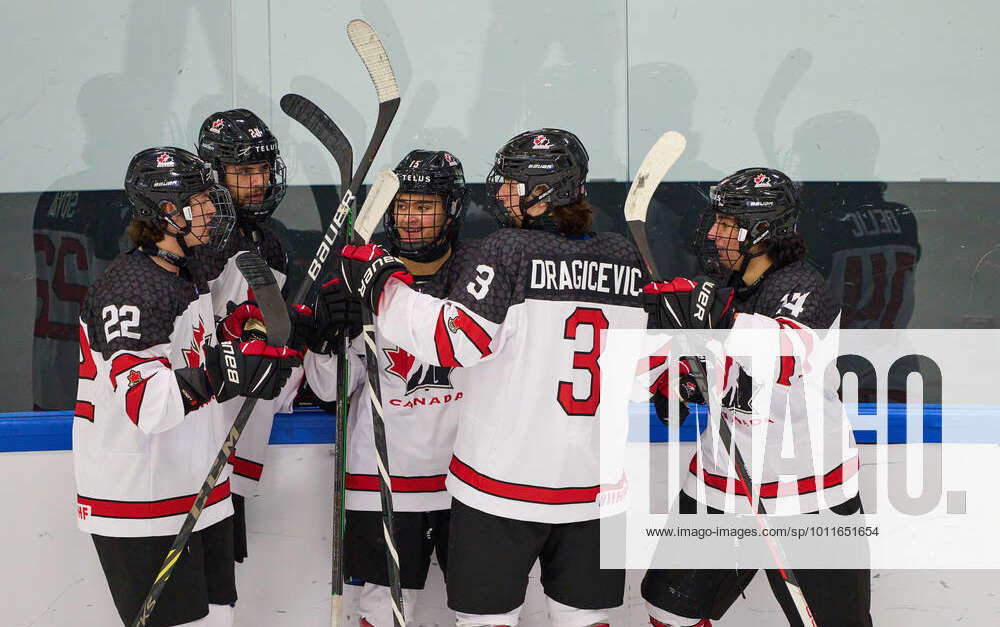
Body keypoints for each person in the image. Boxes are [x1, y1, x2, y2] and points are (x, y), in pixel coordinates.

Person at [338, 129, 648, 627]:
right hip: (594, 487)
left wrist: (384, 289)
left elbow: (451, 343)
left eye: (512, 184)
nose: (500, 194)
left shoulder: (503, 250)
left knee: (485, 621)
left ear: (543, 192)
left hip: (501, 489)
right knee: (587, 620)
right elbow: (639, 378)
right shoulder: (626, 258)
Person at [73, 147, 300, 626]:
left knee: (219, 617)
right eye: (202, 201)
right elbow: (147, 404)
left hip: (199, 483)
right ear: (166, 213)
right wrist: (227, 370)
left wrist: (249, 334)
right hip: (140, 499)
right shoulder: (131, 289)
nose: (214, 211)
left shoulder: (188, 274)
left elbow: (199, 352)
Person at [640, 167, 872, 627]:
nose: (711, 232)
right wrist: (674, 377)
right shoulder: (726, 286)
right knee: (668, 610)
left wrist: (716, 318)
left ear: (762, 231)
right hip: (721, 480)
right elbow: (710, 361)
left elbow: (783, 356)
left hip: (808, 494)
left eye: (726, 223)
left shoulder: (804, 288)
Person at [304, 149, 471, 627]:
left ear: (452, 209)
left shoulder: (479, 278)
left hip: (470, 482)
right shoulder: (360, 282)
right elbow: (330, 392)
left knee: (484, 607)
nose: (411, 218)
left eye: (424, 205)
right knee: (383, 609)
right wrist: (324, 336)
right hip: (382, 479)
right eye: (402, 205)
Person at [193, 108, 335, 564]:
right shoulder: (199, 242)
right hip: (194, 430)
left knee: (219, 584)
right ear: (214, 174)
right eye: (243, 171)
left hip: (237, 428)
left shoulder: (268, 241)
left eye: (262, 169)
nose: (258, 181)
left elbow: (269, 331)